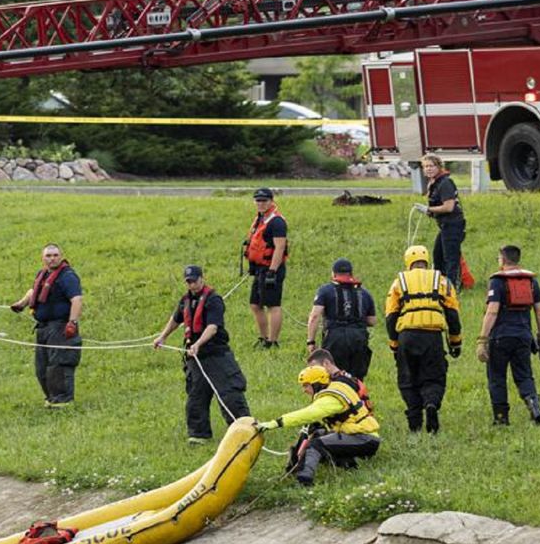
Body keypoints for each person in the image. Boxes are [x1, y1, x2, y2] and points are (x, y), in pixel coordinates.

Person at [152, 265, 251, 445]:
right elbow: (176, 319)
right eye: (188, 282)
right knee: (196, 395)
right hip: (195, 358)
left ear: (202, 279)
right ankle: (199, 435)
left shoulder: (214, 300)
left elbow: (213, 327)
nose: (192, 285)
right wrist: (162, 337)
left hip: (216, 355)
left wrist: (198, 344)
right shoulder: (185, 300)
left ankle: (243, 430)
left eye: (195, 281)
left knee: (229, 393)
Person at [253, 365, 379, 487]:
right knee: (316, 432)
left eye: (306, 385)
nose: (304, 390)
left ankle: (304, 481)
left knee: (315, 445)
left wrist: (274, 423)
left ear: (317, 383)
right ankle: (346, 465)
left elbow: (307, 414)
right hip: (356, 435)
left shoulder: (331, 399)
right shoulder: (336, 388)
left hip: (364, 439)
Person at [384, 245, 461, 434]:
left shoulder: (398, 282)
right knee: (434, 377)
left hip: (407, 336)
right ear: (427, 261)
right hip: (432, 337)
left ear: (407, 262)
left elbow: (391, 316)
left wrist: (394, 344)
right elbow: (452, 313)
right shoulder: (441, 280)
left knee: (407, 378)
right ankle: (431, 403)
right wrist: (455, 340)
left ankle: (414, 421)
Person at [477, 245, 540, 425]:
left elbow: (492, 311)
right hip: (524, 336)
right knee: (524, 375)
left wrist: (482, 340)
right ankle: (533, 404)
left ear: (502, 259)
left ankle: (501, 418)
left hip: (500, 337)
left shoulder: (498, 281)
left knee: (497, 377)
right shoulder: (531, 281)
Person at [10, 243, 83, 407]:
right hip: (43, 327)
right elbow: (33, 291)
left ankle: (63, 402)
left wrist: (72, 323)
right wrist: (21, 304)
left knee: (59, 365)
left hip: (61, 327)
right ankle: (51, 399)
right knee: (42, 367)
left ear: (61, 256)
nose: (52, 259)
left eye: (55, 255)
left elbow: (77, 300)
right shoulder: (42, 274)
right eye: (48, 256)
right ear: (43, 258)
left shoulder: (67, 276)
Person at [306, 258, 376, 380]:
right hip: (358, 338)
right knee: (356, 378)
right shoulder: (364, 293)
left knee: (333, 376)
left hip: (335, 338)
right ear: (351, 274)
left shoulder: (325, 290)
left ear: (333, 274)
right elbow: (372, 321)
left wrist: (311, 341)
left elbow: (315, 316)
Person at [243, 187, 288, 348]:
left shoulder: (277, 222)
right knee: (255, 304)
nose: (261, 203)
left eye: (264, 200)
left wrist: (273, 270)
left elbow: (280, 247)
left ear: (271, 201)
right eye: (258, 200)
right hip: (260, 268)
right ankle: (263, 337)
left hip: (271, 269)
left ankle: (273, 341)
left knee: (273, 305)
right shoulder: (260, 219)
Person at [415, 153, 467, 289]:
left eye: (431, 166)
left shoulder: (445, 183)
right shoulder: (432, 183)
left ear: (439, 167)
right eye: (425, 166)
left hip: (453, 224)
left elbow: (449, 207)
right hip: (444, 225)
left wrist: (429, 209)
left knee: (450, 258)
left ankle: (451, 288)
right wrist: (429, 211)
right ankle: (441, 284)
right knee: (438, 256)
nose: (428, 169)